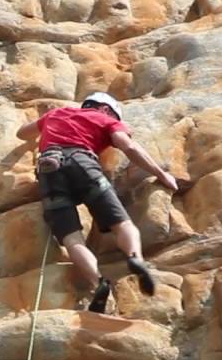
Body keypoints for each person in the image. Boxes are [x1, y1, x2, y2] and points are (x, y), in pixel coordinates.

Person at [16, 92, 180, 313]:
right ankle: (135, 258)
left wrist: (47, 132)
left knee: (73, 240)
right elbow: (129, 147)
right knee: (122, 224)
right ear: (105, 109)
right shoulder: (105, 119)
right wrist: (161, 174)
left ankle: (98, 283)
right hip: (82, 164)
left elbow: (21, 133)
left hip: (49, 171)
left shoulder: (57, 113)